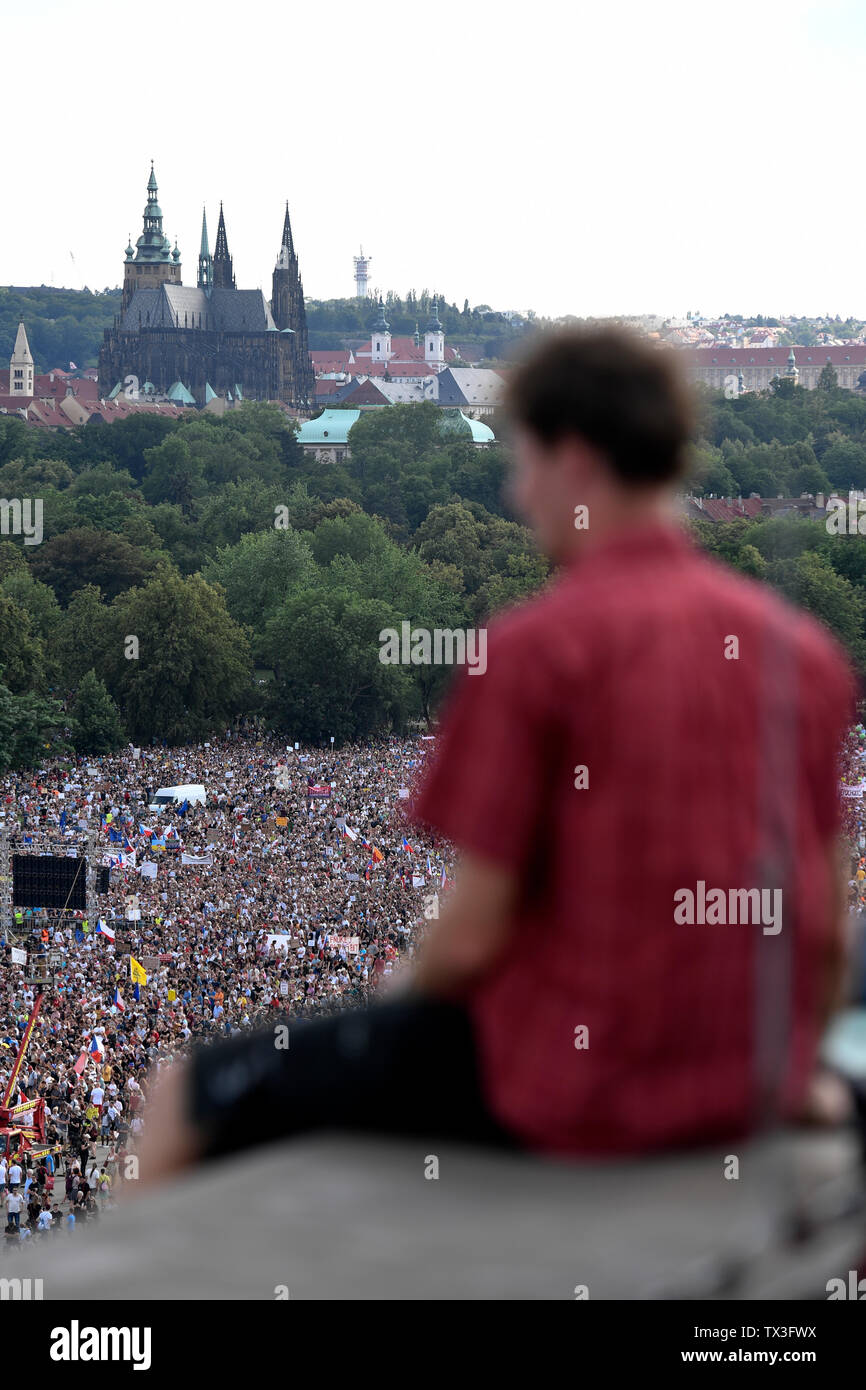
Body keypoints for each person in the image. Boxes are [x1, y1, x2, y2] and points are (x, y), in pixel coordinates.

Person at [138, 327, 855, 1178]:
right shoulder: (801, 651)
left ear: (576, 460)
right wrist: (789, 1073)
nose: (518, 493)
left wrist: (391, 1012)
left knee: (187, 1090)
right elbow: (828, 930)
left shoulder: (534, 649)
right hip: (746, 1080)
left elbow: (472, 938)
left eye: (524, 462)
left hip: (577, 1087)